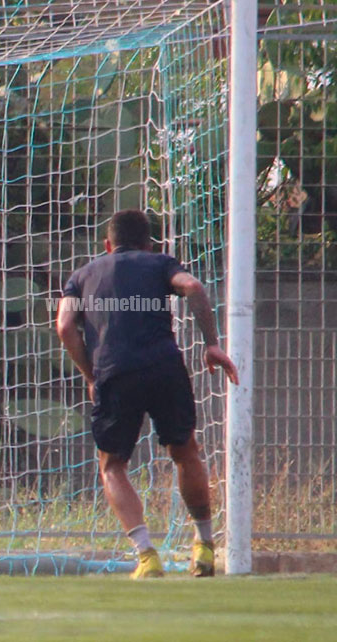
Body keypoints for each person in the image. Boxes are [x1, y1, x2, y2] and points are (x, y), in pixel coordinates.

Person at [55, 209, 239, 579]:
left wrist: (91, 374)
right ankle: (204, 546)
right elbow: (194, 288)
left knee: (112, 465)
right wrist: (212, 344)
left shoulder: (82, 276)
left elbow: (63, 327)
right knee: (185, 451)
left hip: (114, 373)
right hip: (163, 368)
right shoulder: (160, 263)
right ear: (148, 244)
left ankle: (146, 555)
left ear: (107, 245)